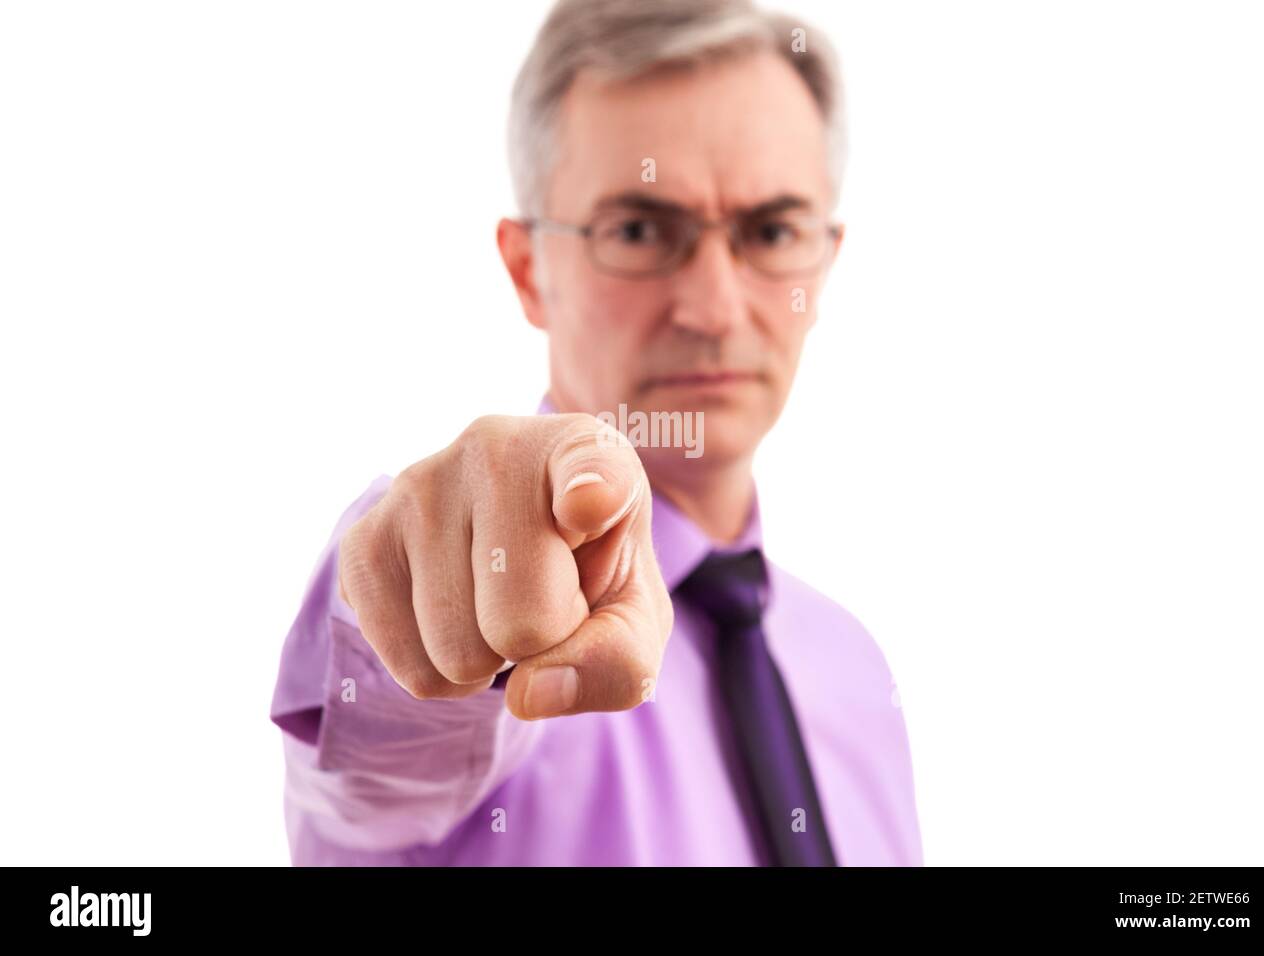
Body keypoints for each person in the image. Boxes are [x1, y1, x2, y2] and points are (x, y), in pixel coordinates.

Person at [269, 0, 923, 866]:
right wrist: (429, 584)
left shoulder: (853, 672)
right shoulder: (505, 627)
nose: (715, 308)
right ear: (528, 268)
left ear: (824, 260)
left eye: (771, 231)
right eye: (642, 231)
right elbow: (382, 759)